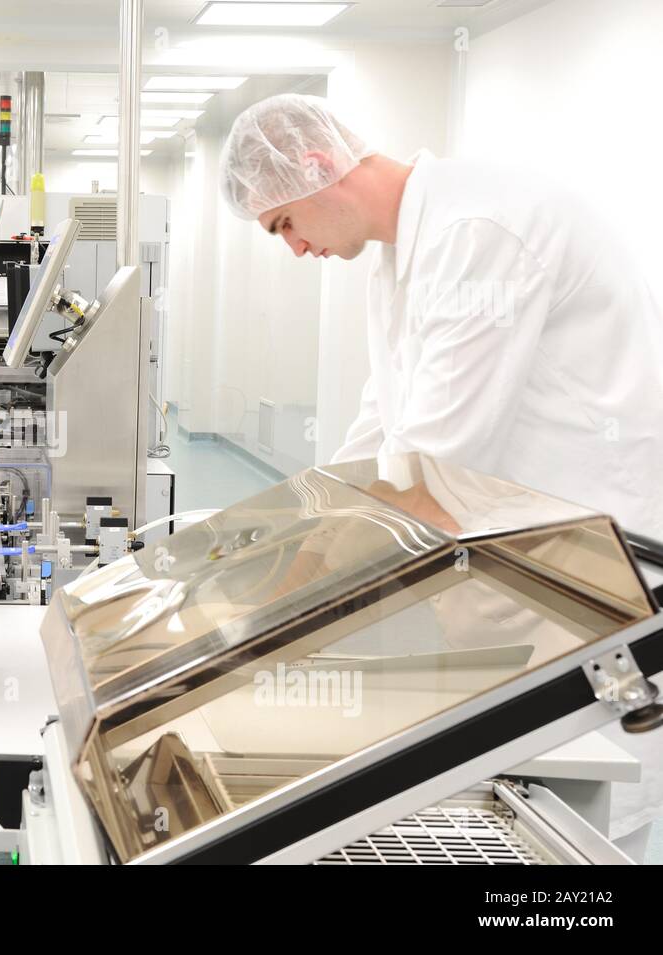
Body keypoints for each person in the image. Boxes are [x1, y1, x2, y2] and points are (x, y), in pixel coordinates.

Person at [220, 93, 663, 851]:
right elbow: (381, 429)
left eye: (283, 223)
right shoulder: (403, 258)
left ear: (316, 165)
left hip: (599, 582)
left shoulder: (479, 232)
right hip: (521, 572)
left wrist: (286, 603)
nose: (293, 249)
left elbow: (430, 461)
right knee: (531, 785)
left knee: (590, 822)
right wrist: (286, 534)